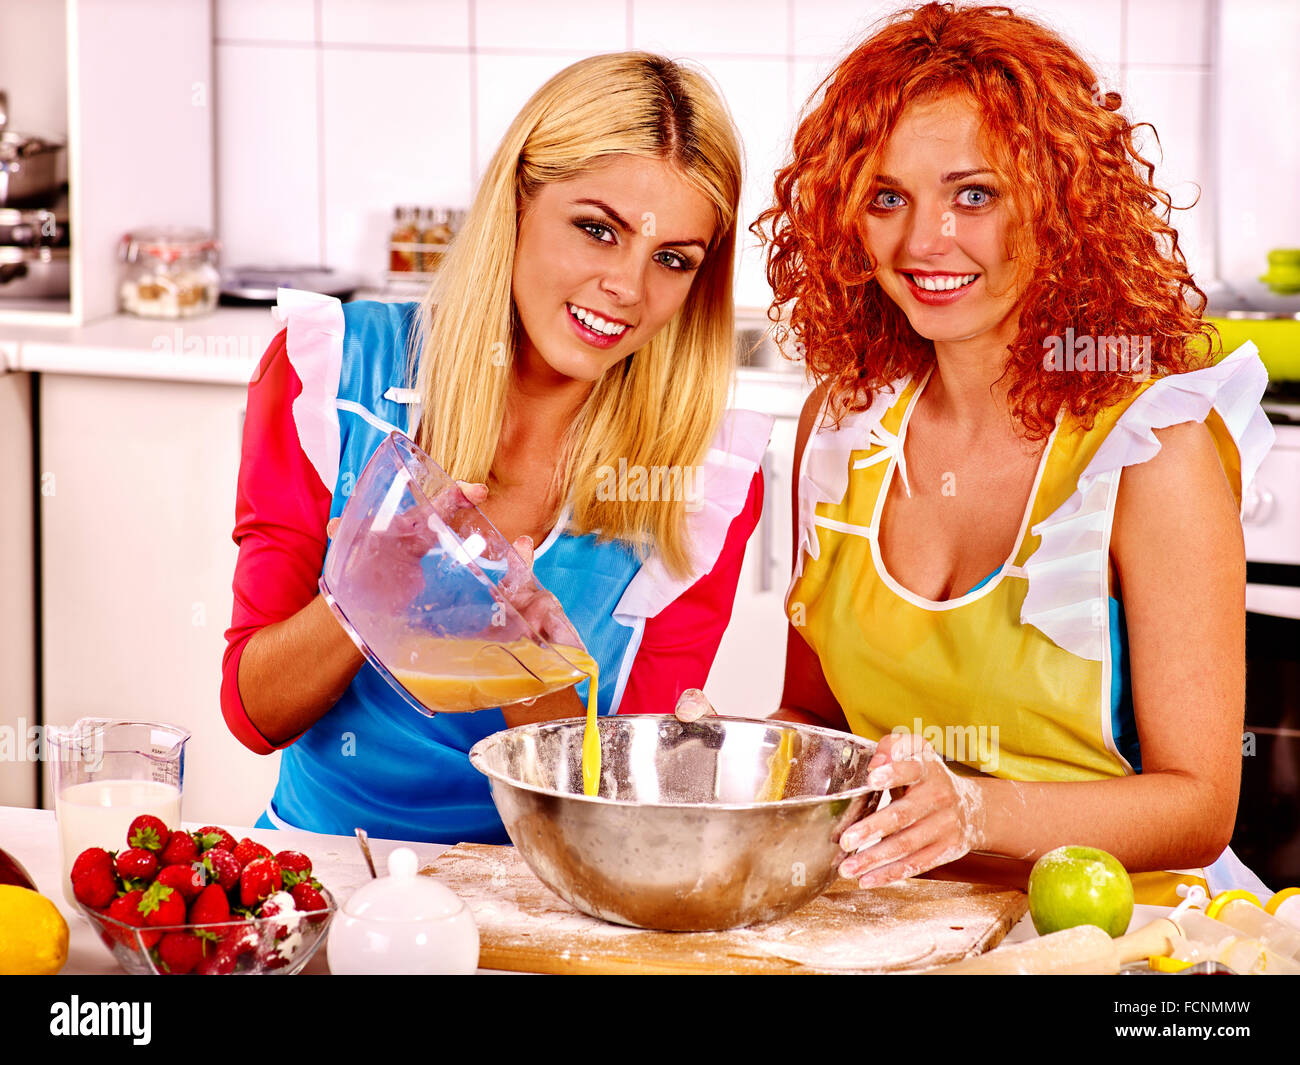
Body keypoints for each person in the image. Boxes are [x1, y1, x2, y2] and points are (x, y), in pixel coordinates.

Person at [753, 3, 1273, 905]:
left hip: (1124, 938)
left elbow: (1201, 808)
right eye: (887, 197)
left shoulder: (1151, 450)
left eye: (974, 195)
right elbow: (816, 717)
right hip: (892, 924)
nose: (925, 243)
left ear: (1061, 203)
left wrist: (976, 812)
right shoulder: (837, 430)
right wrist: (729, 762)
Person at [221, 52, 772, 843]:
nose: (627, 287)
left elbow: (619, 815)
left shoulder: (705, 480)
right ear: (517, 201)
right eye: (596, 230)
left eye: (672, 259)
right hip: (322, 874)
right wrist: (361, 599)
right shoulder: (329, 373)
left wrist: (537, 674)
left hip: (542, 906)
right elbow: (254, 712)